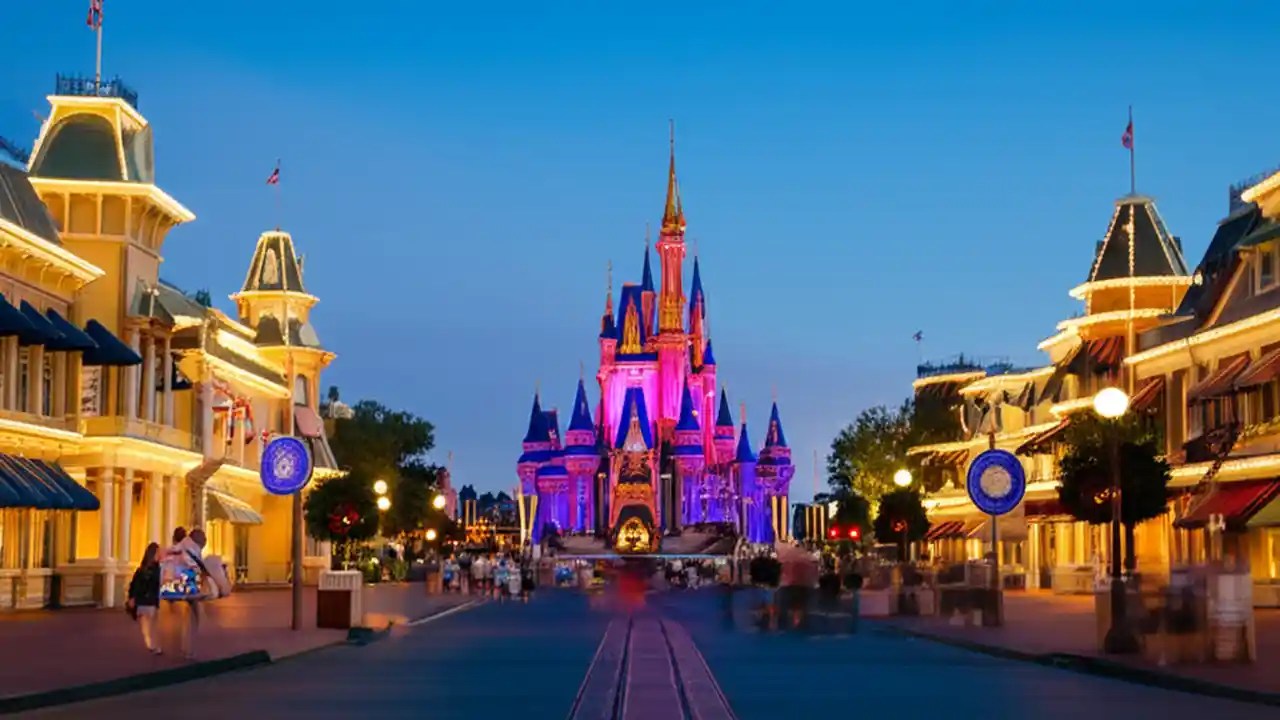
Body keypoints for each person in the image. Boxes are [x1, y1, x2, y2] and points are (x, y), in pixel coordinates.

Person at [127, 542, 162, 655]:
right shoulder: (152, 570)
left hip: (147, 601)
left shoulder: (146, 569)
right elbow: (135, 585)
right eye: (158, 552)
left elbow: (134, 585)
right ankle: (152, 645)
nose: (160, 555)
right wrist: (132, 597)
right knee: (149, 625)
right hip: (146, 601)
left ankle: (152, 645)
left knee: (149, 626)